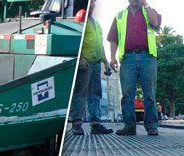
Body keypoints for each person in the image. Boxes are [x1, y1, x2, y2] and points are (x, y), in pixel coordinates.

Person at [107, 0, 162, 136]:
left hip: (147, 57)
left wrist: (146, 5)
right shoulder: (120, 16)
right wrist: (112, 57)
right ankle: (129, 126)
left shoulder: (149, 12)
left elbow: (155, 23)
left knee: (149, 93)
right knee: (127, 94)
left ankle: (151, 126)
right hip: (128, 58)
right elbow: (113, 38)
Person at [69, 0, 114, 135]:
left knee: (95, 94)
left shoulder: (96, 24)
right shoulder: (81, 19)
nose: (93, 4)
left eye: (94, 2)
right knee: (81, 93)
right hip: (86, 63)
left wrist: (105, 62)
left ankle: (95, 124)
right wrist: (81, 59)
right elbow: (76, 39)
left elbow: (100, 45)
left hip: (96, 64)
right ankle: (76, 123)